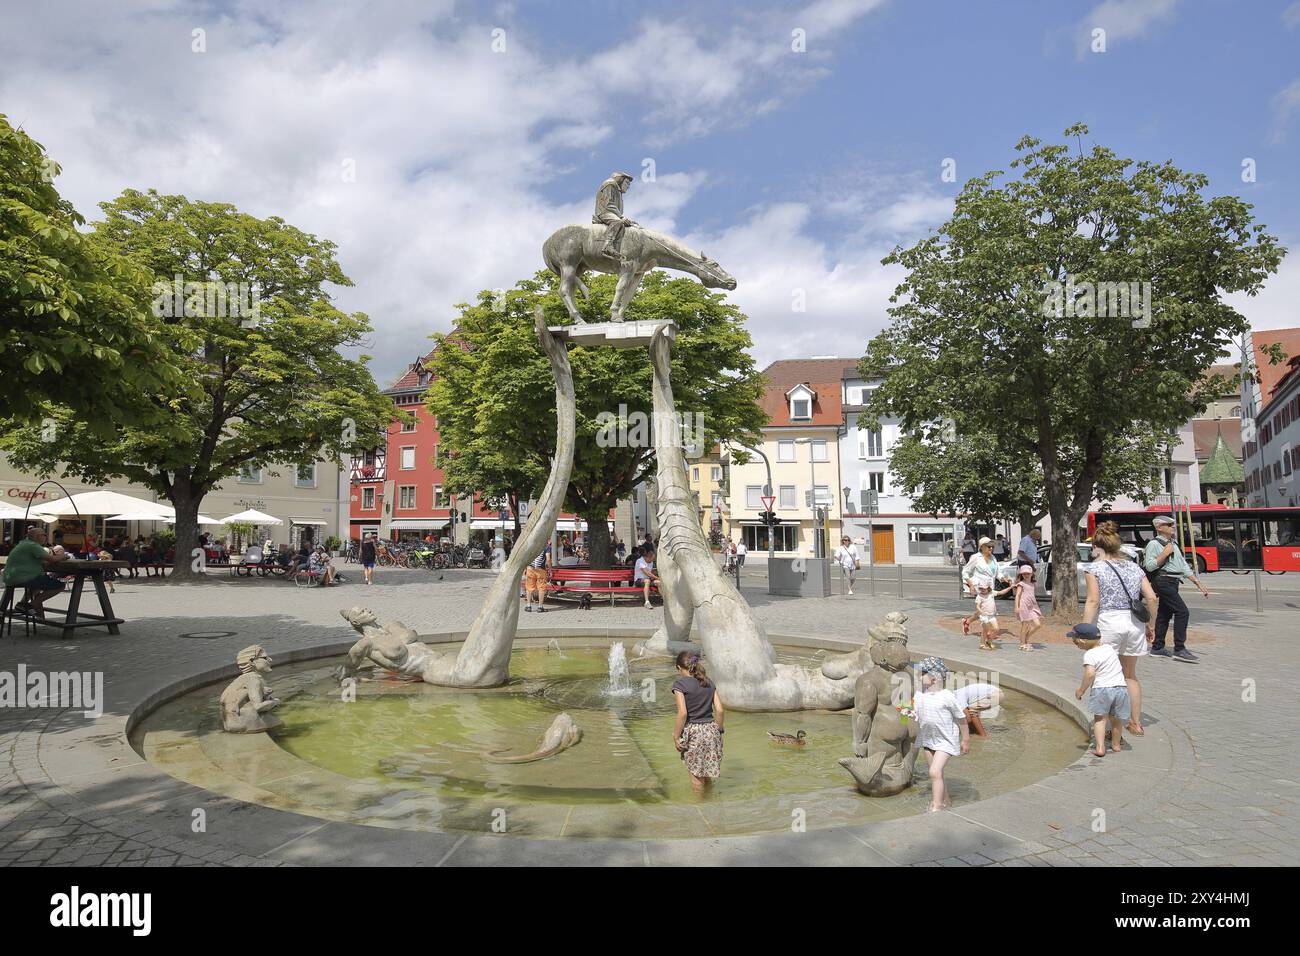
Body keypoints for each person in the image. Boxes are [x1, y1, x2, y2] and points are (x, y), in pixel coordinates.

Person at [1085, 520, 1159, 736]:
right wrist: (1150, 625)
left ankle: (1106, 727)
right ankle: (1135, 723)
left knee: (1104, 675)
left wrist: (1084, 630)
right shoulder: (1135, 567)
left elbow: (1093, 602)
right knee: (1130, 674)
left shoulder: (1094, 568)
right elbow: (1152, 598)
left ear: (1097, 548)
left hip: (1109, 622)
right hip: (1134, 623)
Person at [1143, 515, 1209, 663]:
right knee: (1182, 611)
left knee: (1164, 614)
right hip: (1162, 580)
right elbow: (1150, 565)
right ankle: (1179, 648)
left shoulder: (1174, 543)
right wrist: (1165, 554)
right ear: (1159, 527)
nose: (1173, 527)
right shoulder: (1154, 544)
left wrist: (1197, 583)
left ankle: (1158, 647)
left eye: (1173, 524)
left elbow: (1183, 565)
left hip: (1173, 581)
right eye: (1169, 524)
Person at [912, 657, 968, 812]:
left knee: (934, 772)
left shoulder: (947, 696)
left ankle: (935, 807)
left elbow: (961, 718)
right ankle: (946, 801)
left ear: (933, 678)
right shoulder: (919, 696)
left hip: (946, 740)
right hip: (928, 739)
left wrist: (965, 740)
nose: (918, 676)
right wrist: (905, 713)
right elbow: (912, 715)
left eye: (922, 673)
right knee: (937, 774)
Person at [1069, 622, 1131, 757]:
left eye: (1075, 641)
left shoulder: (1090, 654)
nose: (1075, 644)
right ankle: (1116, 745)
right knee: (1116, 720)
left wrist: (1081, 690)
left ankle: (1100, 748)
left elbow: (1090, 674)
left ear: (1082, 641)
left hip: (1102, 689)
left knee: (1100, 720)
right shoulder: (1109, 648)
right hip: (1120, 688)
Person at [672, 651, 724, 794]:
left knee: (696, 779)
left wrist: (676, 736)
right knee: (707, 774)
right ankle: (709, 803)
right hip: (712, 730)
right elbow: (719, 710)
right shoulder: (708, 682)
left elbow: (683, 713)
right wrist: (718, 731)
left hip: (694, 732)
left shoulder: (679, 684)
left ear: (678, 667)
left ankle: (699, 809)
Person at [2, 526, 65, 621]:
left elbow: (42, 561)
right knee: (60, 585)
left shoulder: (23, 544)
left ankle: (22, 604)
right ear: (37, 536)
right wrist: (63, 556)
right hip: (23, 577)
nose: (46, 537)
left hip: (11, 577)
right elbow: (52, 559)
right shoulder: (33, 546)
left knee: (39, 584)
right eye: (44, 534)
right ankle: (30, 605)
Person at [592, 171, 636, 260]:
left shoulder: (617, 189)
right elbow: (609, 204)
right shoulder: (610, 184)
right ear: (620, 180)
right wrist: (621, 217)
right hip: (604, 211)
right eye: (627, 183)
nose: (628, 186)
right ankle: (607, 246)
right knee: (618, 222)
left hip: (610, 212)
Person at [1003, 564, 1043, 651]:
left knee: (1038, 624)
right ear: (1021, 575)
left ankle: (1025, 638)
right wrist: (1016, 607)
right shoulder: (1021, 584)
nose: (1026, 575)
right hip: (1023, 605)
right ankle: (1022, 643)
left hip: (1032, 605)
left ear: (1032, 574)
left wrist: (1037, 605)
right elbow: (1017, 595)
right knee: (1025, 625)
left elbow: (1031, 595)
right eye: (1024, 574)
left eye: (1028, 573)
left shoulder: (1033, 583)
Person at [523, 541, 551, 613]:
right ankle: (540, 607)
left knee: (529, 587)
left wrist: (525, 568)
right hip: (541, 570)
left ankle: (528, 606)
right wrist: (550, 570)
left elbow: (526, 557)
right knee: (541, 588)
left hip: (530, 569)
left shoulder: (531, 544)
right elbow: (548, 559)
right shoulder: (546, 546)